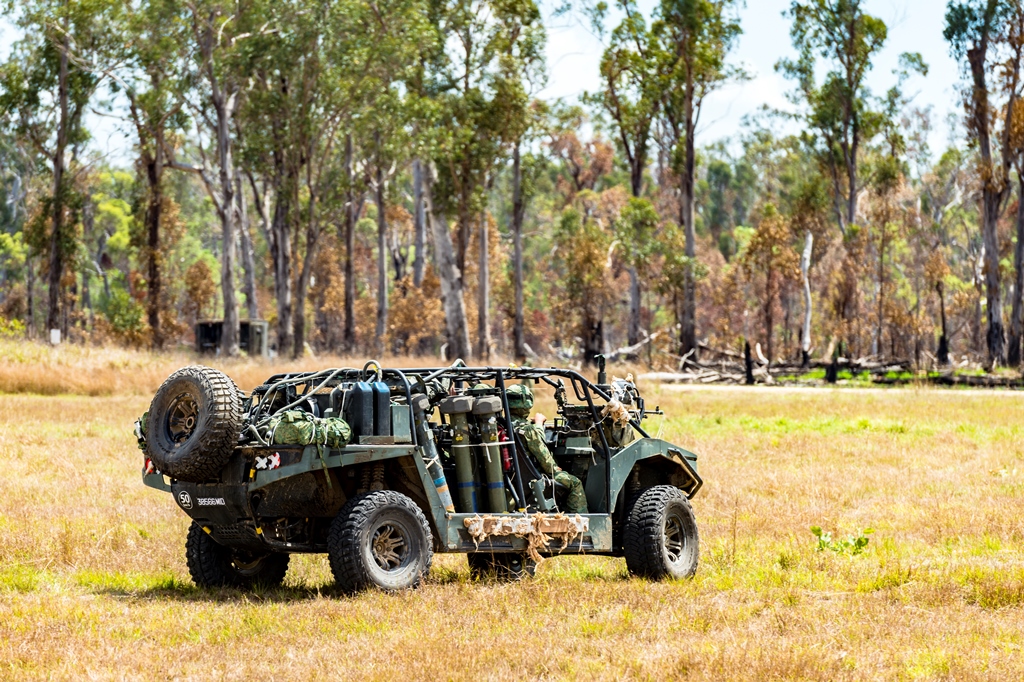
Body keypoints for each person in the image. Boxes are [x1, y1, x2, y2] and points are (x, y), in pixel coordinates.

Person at [506, 383, 588, 514]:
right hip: (533, 481)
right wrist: (538, 424)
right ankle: (582, 526)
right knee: (575, 483)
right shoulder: (528, 430)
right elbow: (546, 462)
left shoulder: (502, 426)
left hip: (513, 481)